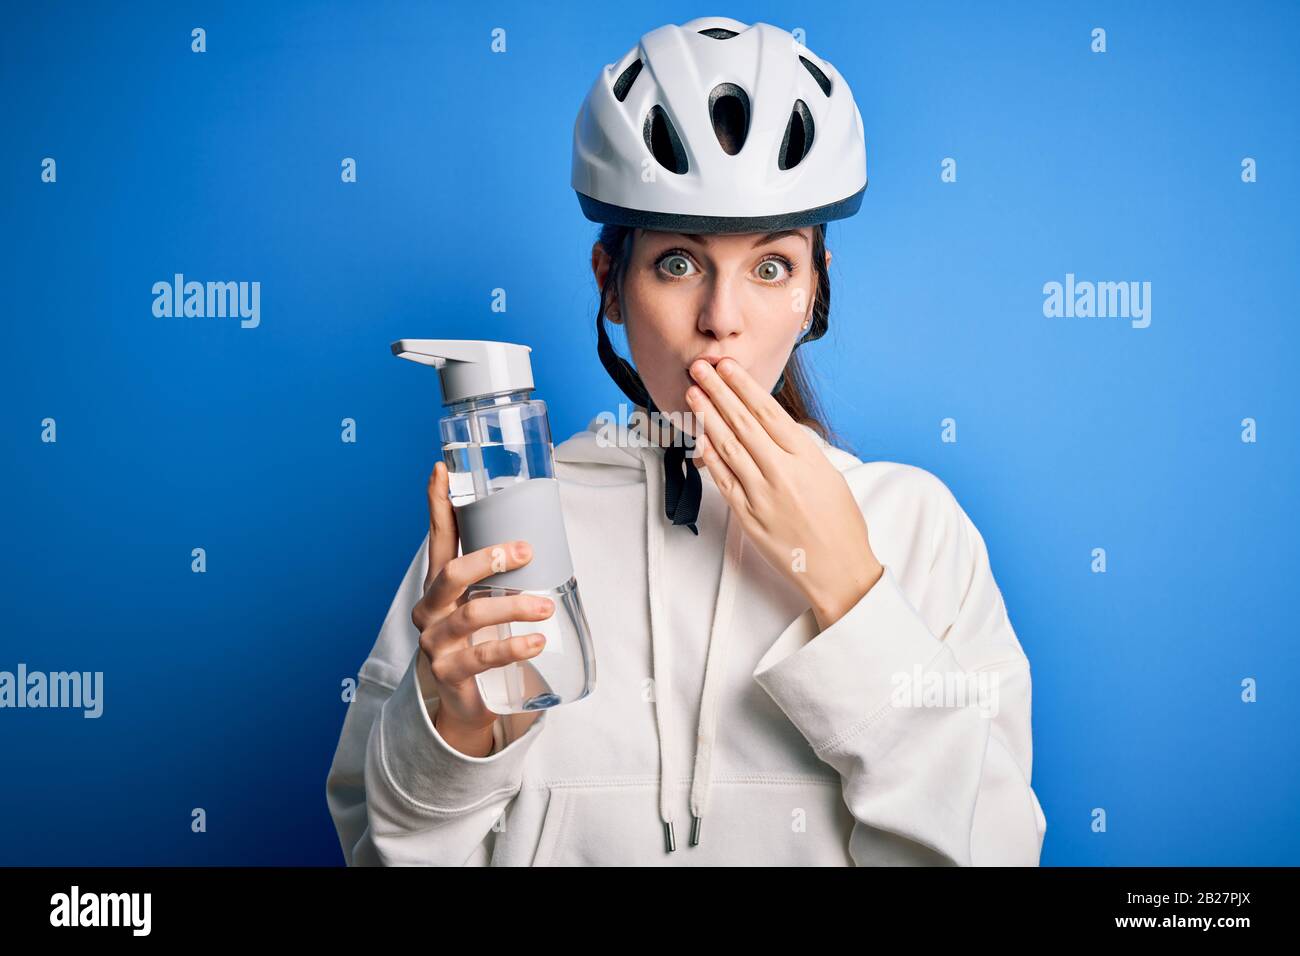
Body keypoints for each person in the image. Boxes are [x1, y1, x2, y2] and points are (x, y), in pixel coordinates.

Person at [326, 16, 1047, 866]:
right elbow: (382, 856)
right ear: (612, 287)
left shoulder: (917, 527)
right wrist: (450, 736)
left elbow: (994, 856)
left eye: (771, 266)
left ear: (815, 292)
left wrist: (850, 586)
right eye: (677, 262)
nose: (722, 321)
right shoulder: (510, 531)